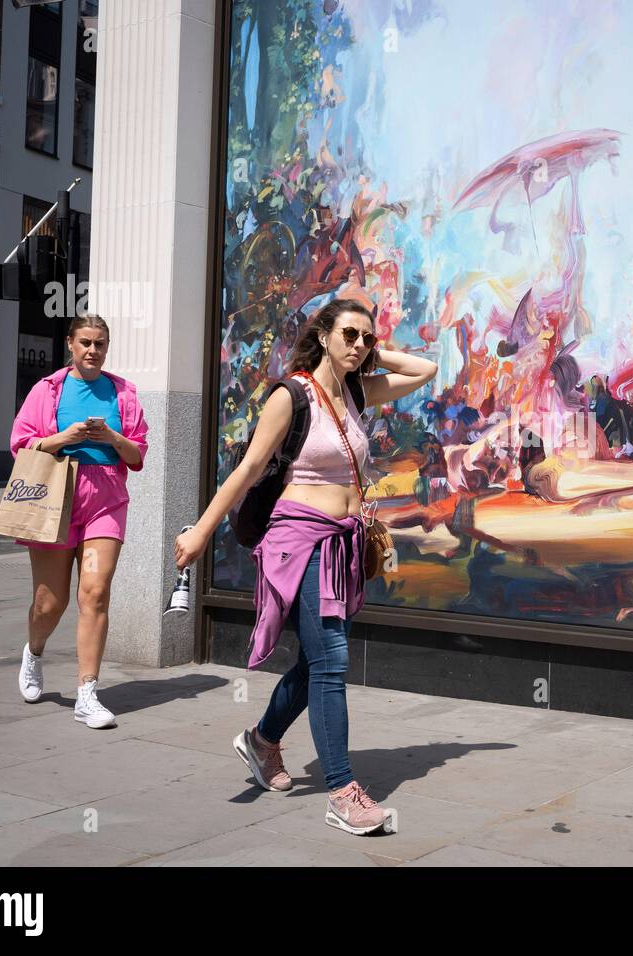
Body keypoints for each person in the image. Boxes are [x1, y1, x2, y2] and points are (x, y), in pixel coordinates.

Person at [174, 299, 436, 835]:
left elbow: (426, 369)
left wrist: (366, 355)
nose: (359, 344)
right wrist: (202, 529)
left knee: (317, 658)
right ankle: (343, 790)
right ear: (322, 334)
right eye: (348, 334)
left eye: (367, 337)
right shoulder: (290, 396)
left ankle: (262, 740)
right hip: (299, 539)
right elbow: (247, 469)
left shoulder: (359, 391)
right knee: (334, 657)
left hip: (341, 542)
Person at [9, 314, 149, 729]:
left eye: (100, 344)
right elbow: (20, 445)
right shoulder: (48, 390)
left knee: (96, 592)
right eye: (85, 342)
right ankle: (34, 652)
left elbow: (138, 455)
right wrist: (63, 438)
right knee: (50, 603)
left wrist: (113, 438)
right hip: (55, 494)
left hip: (105, 497)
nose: (93, 350)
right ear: (70, 344)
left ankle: (87, 693)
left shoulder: (123, 392)